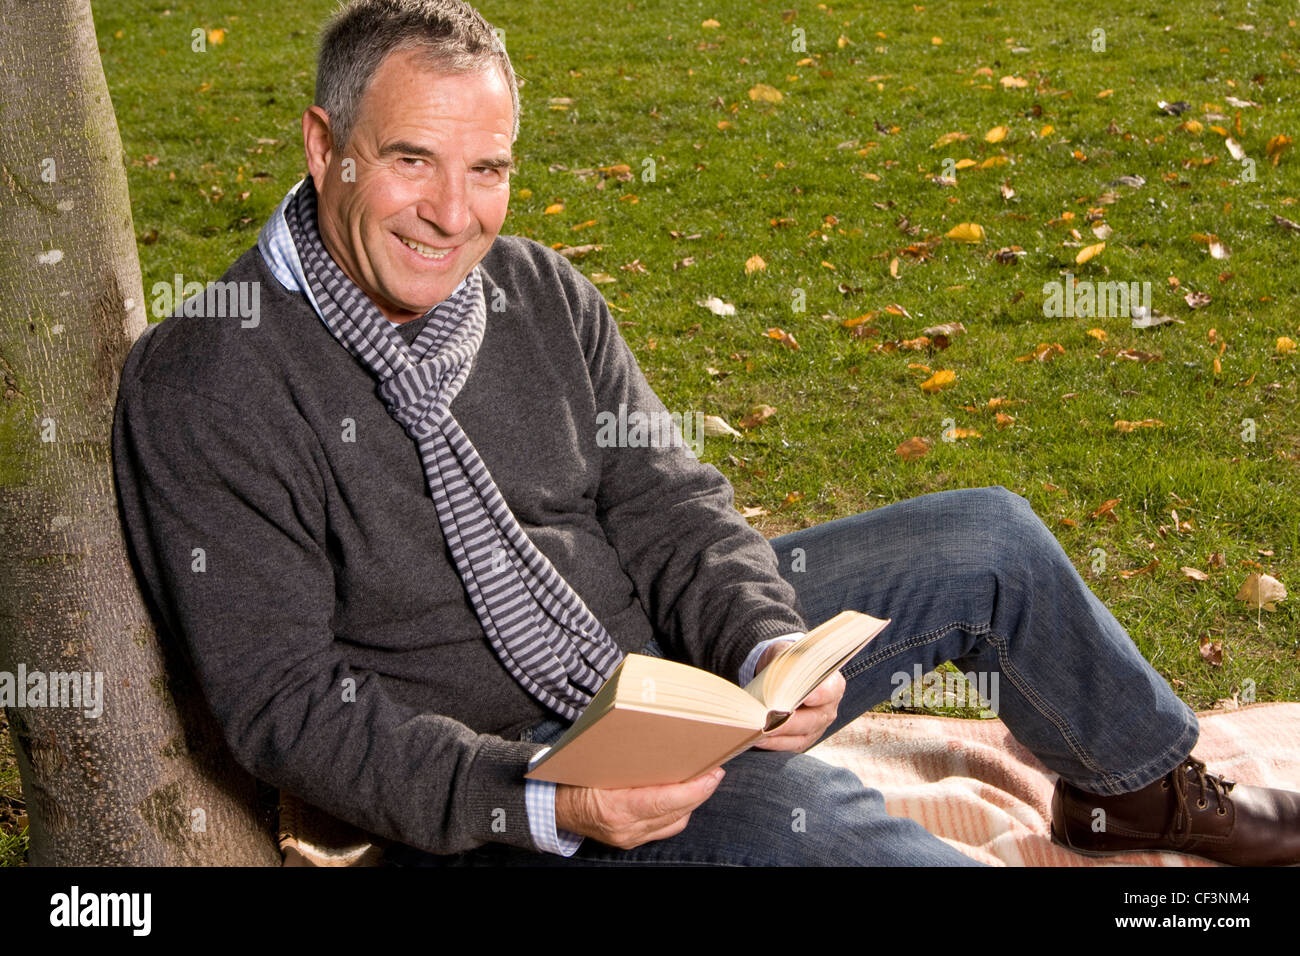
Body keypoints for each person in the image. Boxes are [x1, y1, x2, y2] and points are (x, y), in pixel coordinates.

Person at [111, 0, 1300, 866]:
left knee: (985, 537)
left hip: (663, 667)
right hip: (515, 759)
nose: (453, 214)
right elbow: (287, 704)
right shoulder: (215, 374)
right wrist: (545, 798)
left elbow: (668, 503)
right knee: (858, 844)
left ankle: (1139, 794)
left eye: (488, 169)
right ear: (327, 147)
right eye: (411, 161)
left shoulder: (533, 288)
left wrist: (760, 652)